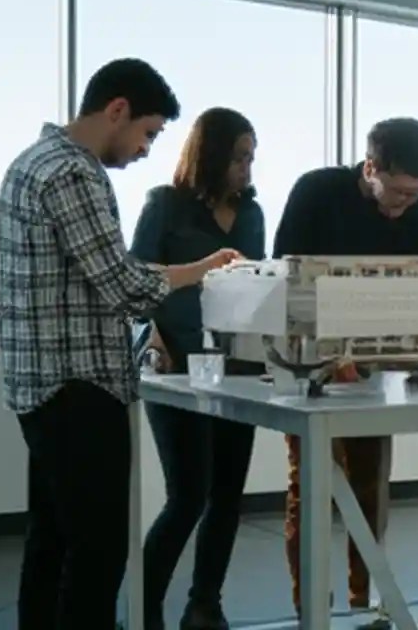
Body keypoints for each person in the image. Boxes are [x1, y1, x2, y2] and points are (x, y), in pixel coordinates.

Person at [0, 58, 238, 630]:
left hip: (43, 387)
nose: (147, 149)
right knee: (97, 553)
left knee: (51, 541)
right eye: (148, 133)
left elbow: (100, 271)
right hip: (78, 387)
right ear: (118, 110)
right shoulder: (74, 173)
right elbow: (124, 286)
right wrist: (198, 270)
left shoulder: (30, 163)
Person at [272, 117, 418, 626]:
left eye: (416, 194)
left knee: (371, 486)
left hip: (373, 369)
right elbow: (287, 276)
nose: (404, 205)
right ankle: (311, 609)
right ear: (370, 168)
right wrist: (332, 352)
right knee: (310, 485)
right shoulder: (316, 191)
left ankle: (366, 603)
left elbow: (409, 295)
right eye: (396, 191)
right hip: (308, 367)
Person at [130, 108, 265, 630]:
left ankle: (205, 604)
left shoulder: (252, 215)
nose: (246, 169)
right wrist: (156, 337)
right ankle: (144, 610)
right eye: (237, 157)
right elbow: (136, 280)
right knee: (188, 496)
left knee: (228, 495)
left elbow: (258, 284)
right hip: (175, 368)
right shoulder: (165, 205)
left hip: (239, 367)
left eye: (251, 158)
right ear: (210, 156)